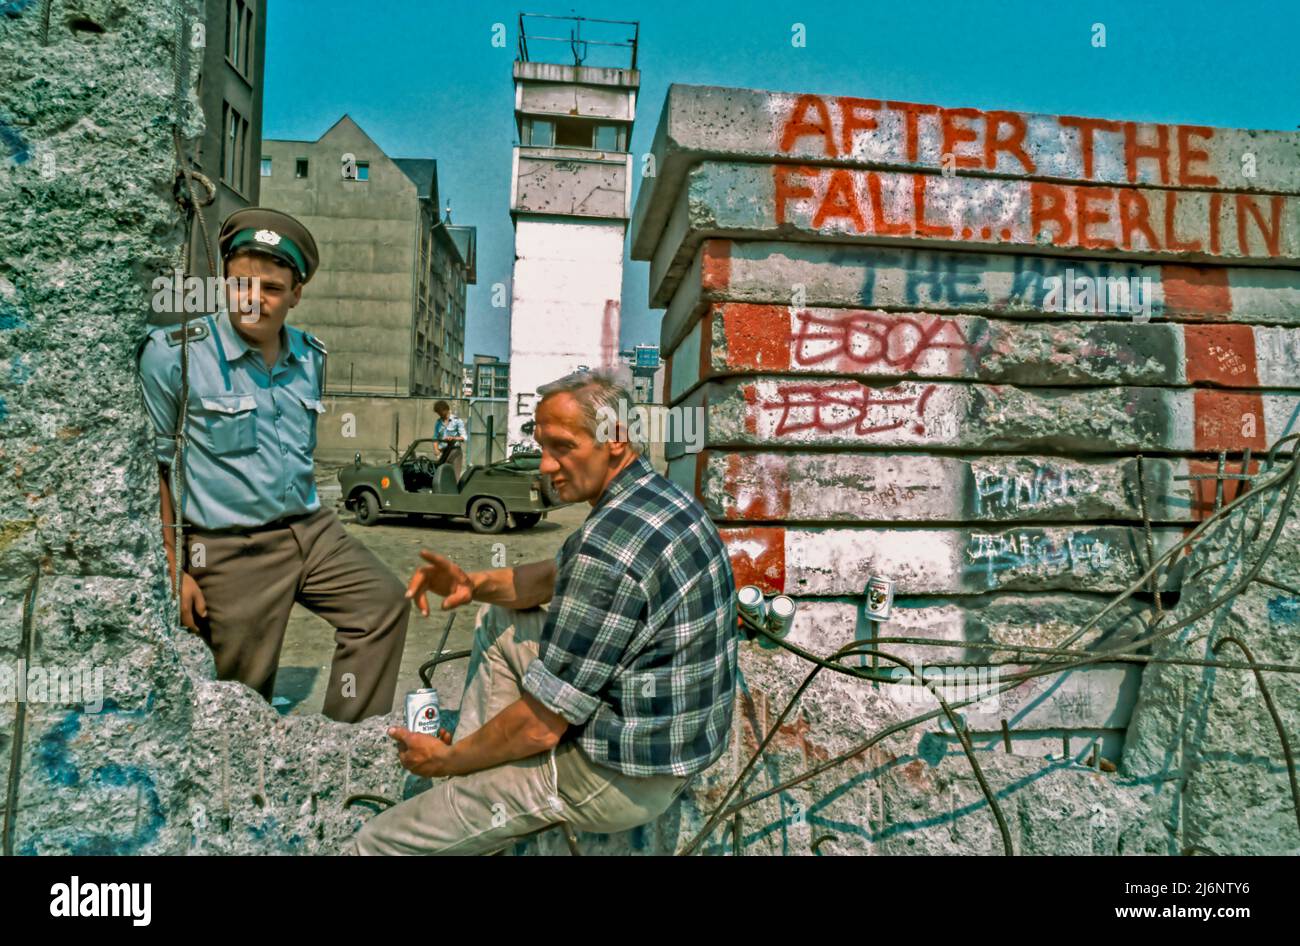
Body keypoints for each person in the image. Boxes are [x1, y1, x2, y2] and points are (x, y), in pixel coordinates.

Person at [345, 369, 738, 855]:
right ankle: (470, 791)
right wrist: (472, 585)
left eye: (562, 447)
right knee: (497, 619)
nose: (545, 466)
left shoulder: (608, 547)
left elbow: (541, 724)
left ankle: (464, 786)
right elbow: (552, 576)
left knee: (376, 844)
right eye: (542, 446)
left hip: (618, 775)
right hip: (674, 747)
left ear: (613, 439)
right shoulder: (656, 498)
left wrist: (447, 759)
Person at [136, 207, 410, 723]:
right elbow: (157, 472)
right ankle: (237, 792)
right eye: (241, 284)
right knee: (241, 695)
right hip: (231, 546)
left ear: (295, 294)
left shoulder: (311, 356)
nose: (254, 299)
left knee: (381, 605)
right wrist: (174, 572)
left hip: (311, 529)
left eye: (272, 288)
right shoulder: (175, 357)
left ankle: (342, 751)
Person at [432, 400, 466, 480]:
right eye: (438, 413)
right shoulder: (438, 422)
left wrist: (453, 438)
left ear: (446, 409)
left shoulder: (457, 421)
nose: (440, 414)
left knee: (454, 477)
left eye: (441, 412)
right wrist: (436, 449)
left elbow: (464, 437)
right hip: (443, 452)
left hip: (454, 451)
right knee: (441, 476)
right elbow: (435, 438)